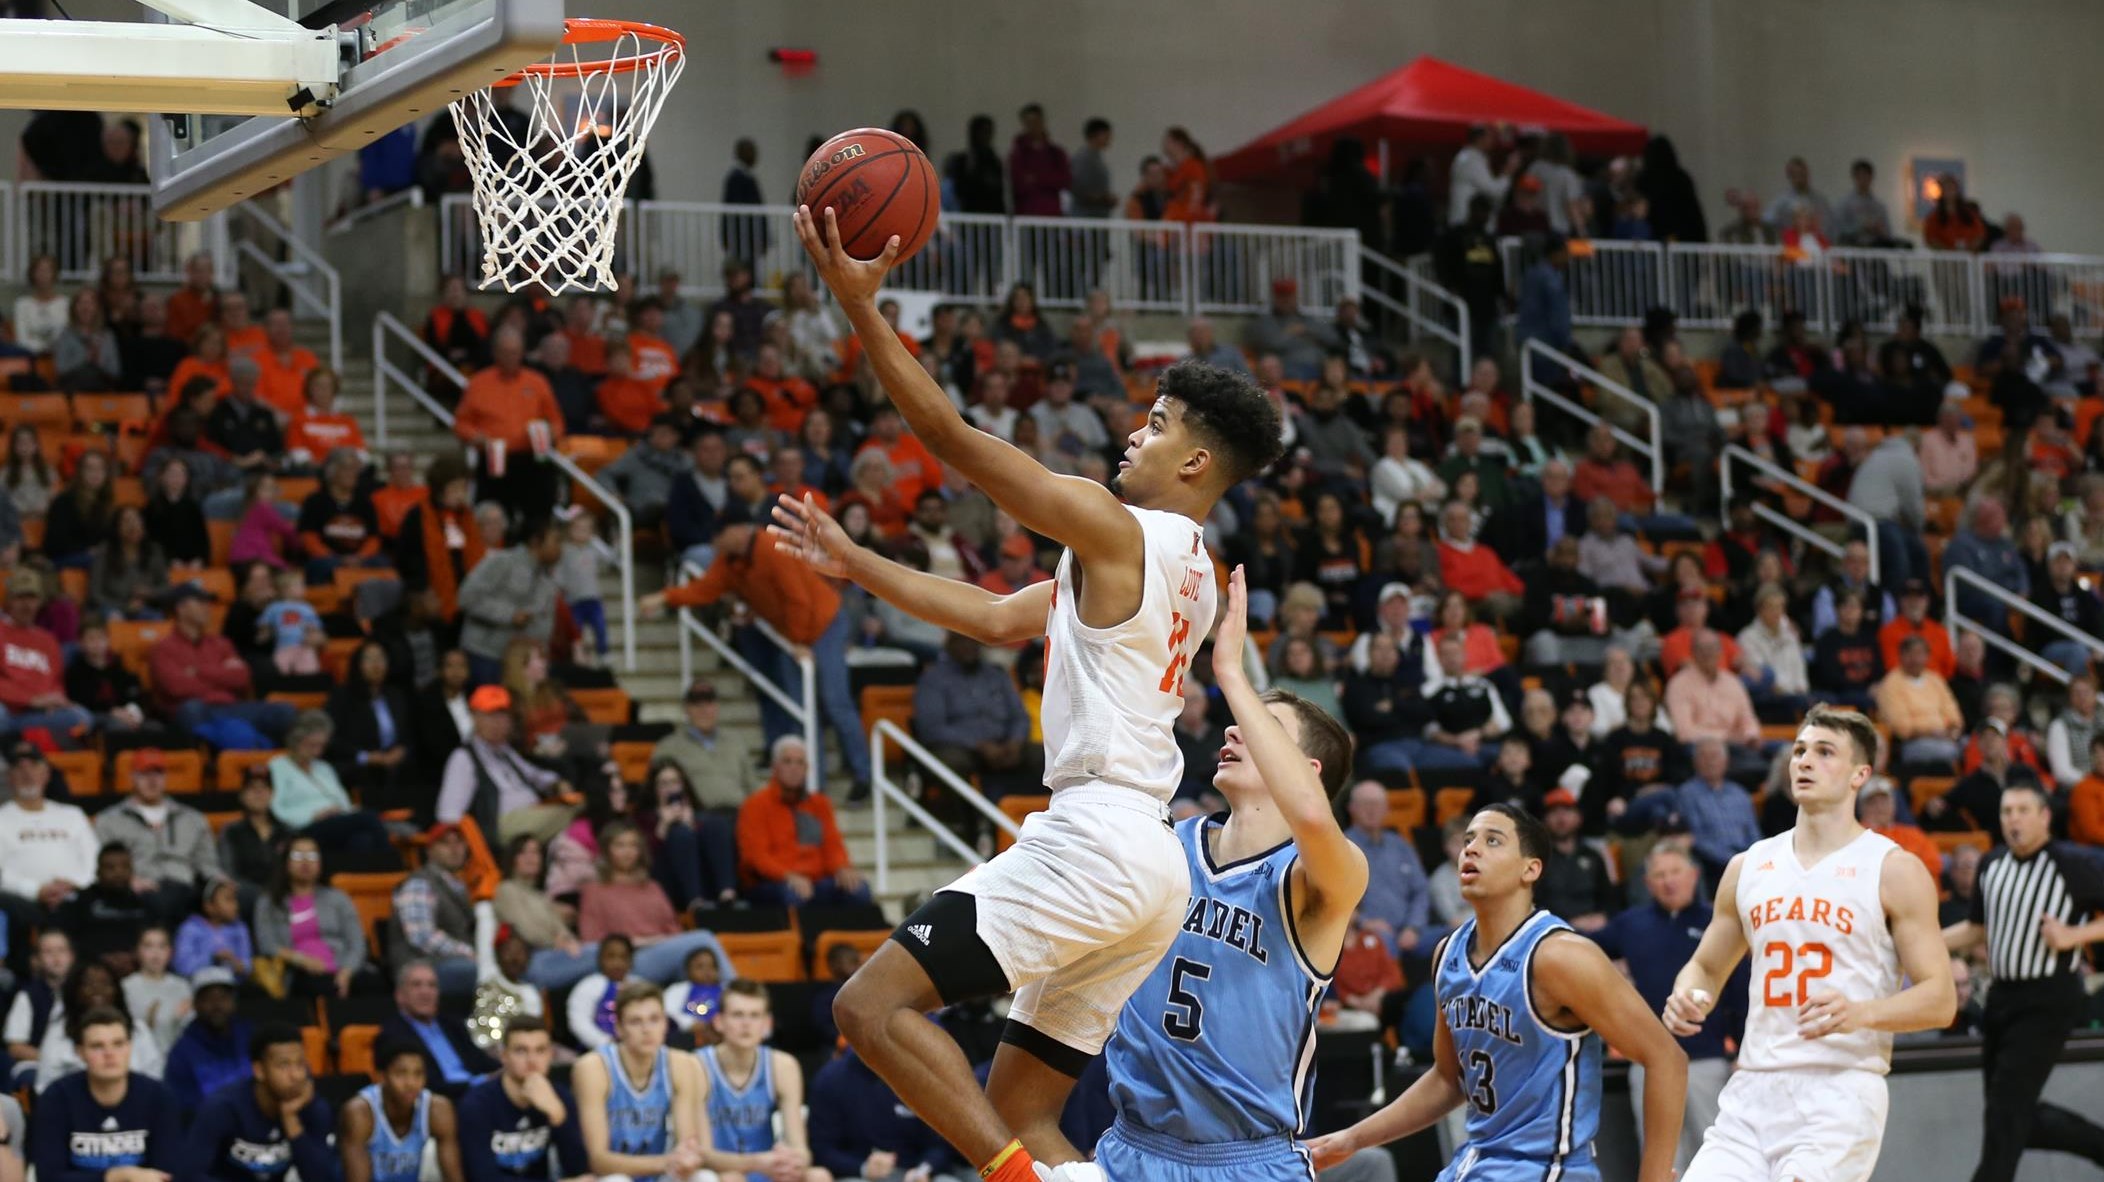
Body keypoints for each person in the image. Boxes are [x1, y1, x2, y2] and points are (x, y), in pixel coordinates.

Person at [782, 199, 1281, 1182]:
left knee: (867, 1009)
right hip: (1150, 864)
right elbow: (992, 616)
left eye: (1155, 425)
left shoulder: (1116, 529)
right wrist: (856, 563)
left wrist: (862, 309)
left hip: (1094, 841)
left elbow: (952, 440)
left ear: (1194, 460)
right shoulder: (1185, 563)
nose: (1132, 434)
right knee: (1020, 1112)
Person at [1094, 565, 1370, 1182]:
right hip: (1131, 1147)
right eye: (1239, 717)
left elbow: (1312, 817)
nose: (1232, 727)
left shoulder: (1323, 878)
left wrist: (1232, 673)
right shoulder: (1168, 842)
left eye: (1262, 727)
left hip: (1245, 1162)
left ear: (1308, 770)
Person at [1309, 803, 1688, 1182]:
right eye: (1468, 840)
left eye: (1493, 841)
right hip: (1474, 1164)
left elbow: (1665, 1057)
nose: (1471, 849)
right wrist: (1352, 1139)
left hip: (1543, 1169)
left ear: (1530, 869)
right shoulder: (1448, 954)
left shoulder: (1560, 955)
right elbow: (1447, 1080)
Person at [1663, 705, 1955, 1182]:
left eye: (1824, 752)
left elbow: (1940, 999)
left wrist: (1862, 1012)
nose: (1804, 761)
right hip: (1753, 1087)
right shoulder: (1748, 866)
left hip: (1839, 1087)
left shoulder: (1893, 869)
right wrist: (1689, 995)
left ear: (1860, 774)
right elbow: (1706, 968)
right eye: (1799, 750)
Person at [1940, 781, 2104, 1179]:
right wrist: (1920, 945)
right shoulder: (1992, 863)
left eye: (2022, 811)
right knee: (2012, 1117)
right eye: (2006, 811)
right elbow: (1976, 930)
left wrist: (2073, 935)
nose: (2013, 819)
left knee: (2005, 1116)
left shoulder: (2072, 863)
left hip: (2048, 998)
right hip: (2002, 998)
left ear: (2044, 817)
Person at [1590, 846, 1745, 1171]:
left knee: (1717, 1156)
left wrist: (1743, 1052)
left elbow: (1739, 991)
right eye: (1660, 875)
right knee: (1660, 1160)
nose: (1669, 881)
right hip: (1649, 1064)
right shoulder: (1631, 924)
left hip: (1708, 1059)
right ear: (1648, 883)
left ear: (1693, 875)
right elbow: (1584, 949)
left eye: (1675, 872)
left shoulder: (1716, 923)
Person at [571, 981, 714, 1181]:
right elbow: (599, 1160)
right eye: (635, 1021)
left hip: (660, 1173)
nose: (647, 1029)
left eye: (654, 1019)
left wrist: (684, 1160)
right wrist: (667, 1162)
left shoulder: (681, 1064)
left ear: (665, 1024)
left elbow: (686, 1144)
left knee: (704, 1177)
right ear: (619, 1028)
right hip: (612, 1175)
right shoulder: (593, 1068)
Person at [30, 1006, 181, 1182]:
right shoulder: (56, 1098)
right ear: (80, 1052)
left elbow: (166, 1173)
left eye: (118, 1044)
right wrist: (115, 1177)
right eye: (97, 1046)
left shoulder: (159, 1097)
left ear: (130, 1046)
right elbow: (48, 1176)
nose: (109, 1054)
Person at [699, 979, 827, 1181]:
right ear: (718, 1022)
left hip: (768, 1169)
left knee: (818, 1176)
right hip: (721, 1172)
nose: (746, 1024)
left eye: (755, 1015)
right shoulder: (697, 1066)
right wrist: (755, 1162)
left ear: (767, 1024)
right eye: (738, 1015)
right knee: (732, 1179)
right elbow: (702, 1154)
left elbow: (801, 1148)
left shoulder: (783, 1066)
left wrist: (793, 1161)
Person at [181, 1023, 339, 1182]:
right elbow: (189, 1176)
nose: (296, 1075)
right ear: (259, 1070)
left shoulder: (312, 1108)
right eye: (284, 1065)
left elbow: (321, 1178)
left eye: (300, 1064)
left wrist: (291, 1121)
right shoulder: (222, 1108)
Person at [456, 1016, 594, 1182]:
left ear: (551, 1055)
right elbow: (482, 1178)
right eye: (521, 1051)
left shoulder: (559, 1097)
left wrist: (558, 1117)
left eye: (540, 1050)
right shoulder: (477, 1104)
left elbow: (579, 1170)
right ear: (504, 1056)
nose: (532, 1060)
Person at [736, 737, 870, 907]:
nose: (794, 768)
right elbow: (756, 857)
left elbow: (832, 845)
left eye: (800, 763)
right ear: (775, 767)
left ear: (807, 769)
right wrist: (787, 876)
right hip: (772, 882)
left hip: (815, 880)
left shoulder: (819, 804)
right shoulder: (754, 805)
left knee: (858, 889)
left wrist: (842, 868)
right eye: (787, 761)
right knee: (794, 894)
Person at [93, 748, 219, 923]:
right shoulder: (109, 819)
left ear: (166, 777)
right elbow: (101, 864)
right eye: (144, 774)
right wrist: (129, 880)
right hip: (136, 890)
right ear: (132, 777)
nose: (152, 780)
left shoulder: (193, 818)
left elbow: (207, 864)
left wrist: (220, 883)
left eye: (158, 773)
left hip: (186, 890)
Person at [0, 740, 98, 940]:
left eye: (34, 767)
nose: (27, 774)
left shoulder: (72, 815)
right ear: (9, 777)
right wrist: (36, 890)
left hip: (77, 897)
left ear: (46, 774)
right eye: (19, 769)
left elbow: (94, 859)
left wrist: (73, 885)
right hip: (22, 903)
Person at [253, 835, 371, 998]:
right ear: (286, 862)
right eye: (298, 856)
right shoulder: (269, 902)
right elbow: (267, 945)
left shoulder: (338, 898)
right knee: (321, 986)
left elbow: (357, 943)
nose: (305, 862)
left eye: (312, 856)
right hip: (297, 971)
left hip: (342, 967)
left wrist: (346, 972)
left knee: (372, 983)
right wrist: (302, 960)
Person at [340, 1042, 463, 1182]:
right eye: (401, 1074)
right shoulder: (360, 1112)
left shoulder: (437, 1109)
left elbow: (454, 1177)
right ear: (381, 1076)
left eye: (418, 1074)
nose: (411, 1083)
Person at [380, 960, 499, 1095]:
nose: (425, 992)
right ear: (400, 996)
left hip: (480, 1093)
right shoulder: (393, 1034)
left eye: (432, 985)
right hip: (442, 1099)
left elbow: (481, 1061)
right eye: (416, 985)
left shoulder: (452, 1025)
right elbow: (425, 1085)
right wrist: (480, 1083)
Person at [162, 968, 250, 1115]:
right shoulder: (181, 1053)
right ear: (195, 1004)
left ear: (233, 1002)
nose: (217, 1005)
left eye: (223, 997)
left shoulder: (251, 1038)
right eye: (209, 999)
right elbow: (181, 1109)